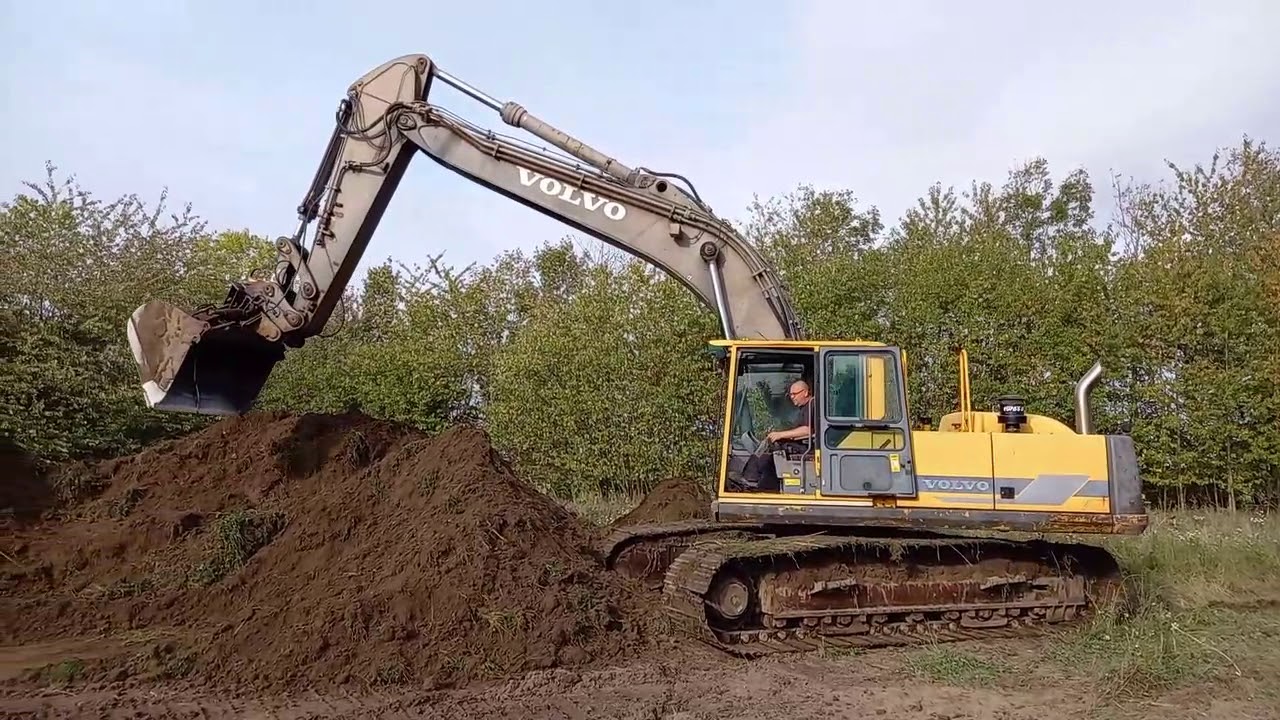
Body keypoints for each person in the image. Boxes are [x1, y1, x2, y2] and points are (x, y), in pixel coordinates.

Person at [766, 379, 815, 448]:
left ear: (805, 392)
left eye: (794, 394)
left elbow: (808, 430)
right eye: (791, 394)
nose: (792, 397)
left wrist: (780, 435)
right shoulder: (803, 408)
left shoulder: (812, 405)